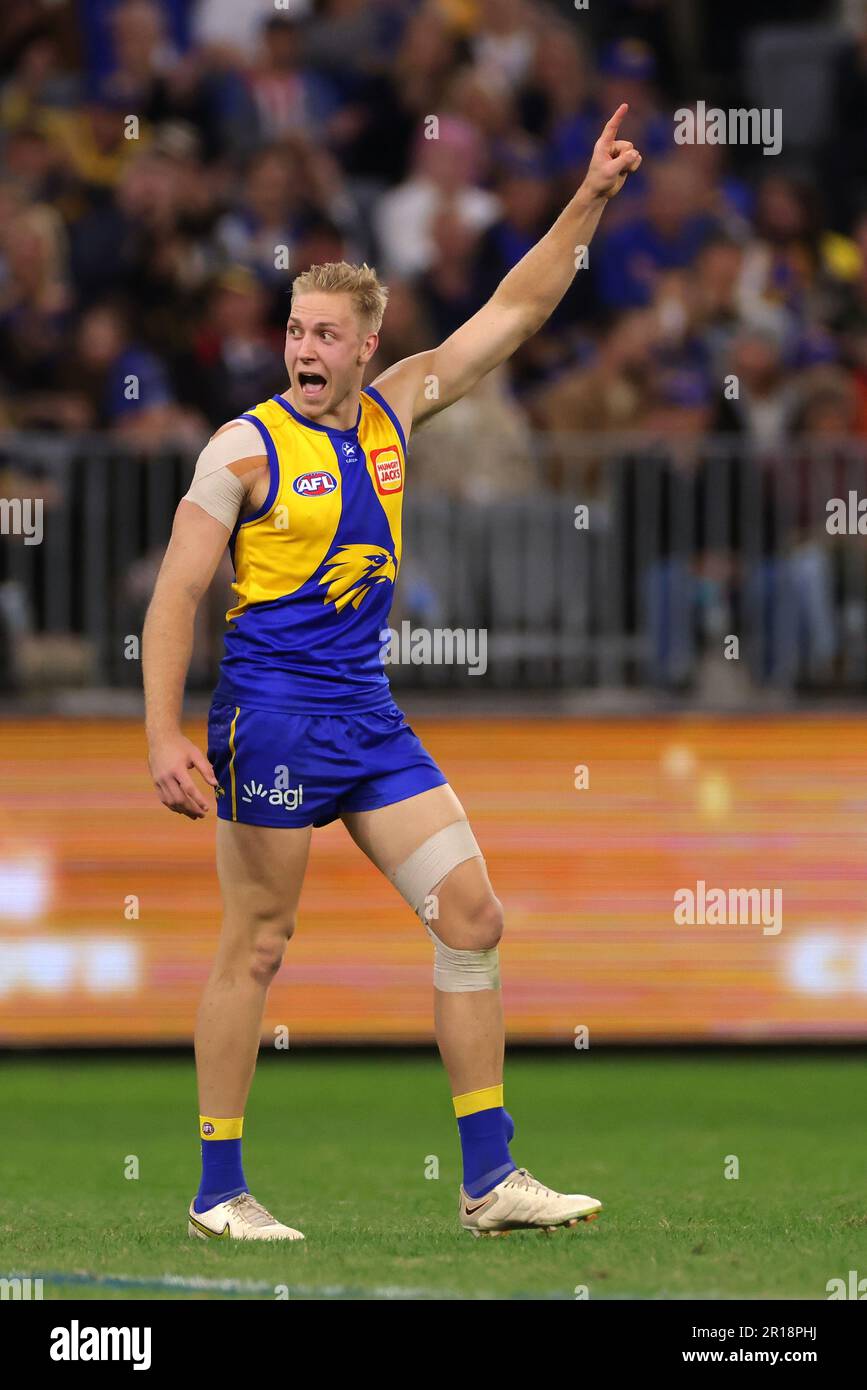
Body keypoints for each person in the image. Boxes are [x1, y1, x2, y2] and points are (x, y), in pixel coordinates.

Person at [142, 104, 642, 1241]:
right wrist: (163, 736)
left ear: (368, 345)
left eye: (326, 334)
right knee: (257, 944)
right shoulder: (243, 446)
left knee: (473, 915)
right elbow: (174, 595)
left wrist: (592, 196)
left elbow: (516, 309)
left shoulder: (400, 405)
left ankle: (489, 1180)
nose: (305, 351)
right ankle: (218, 1191)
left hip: (365, 716)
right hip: (265, 718)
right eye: (294, 331)